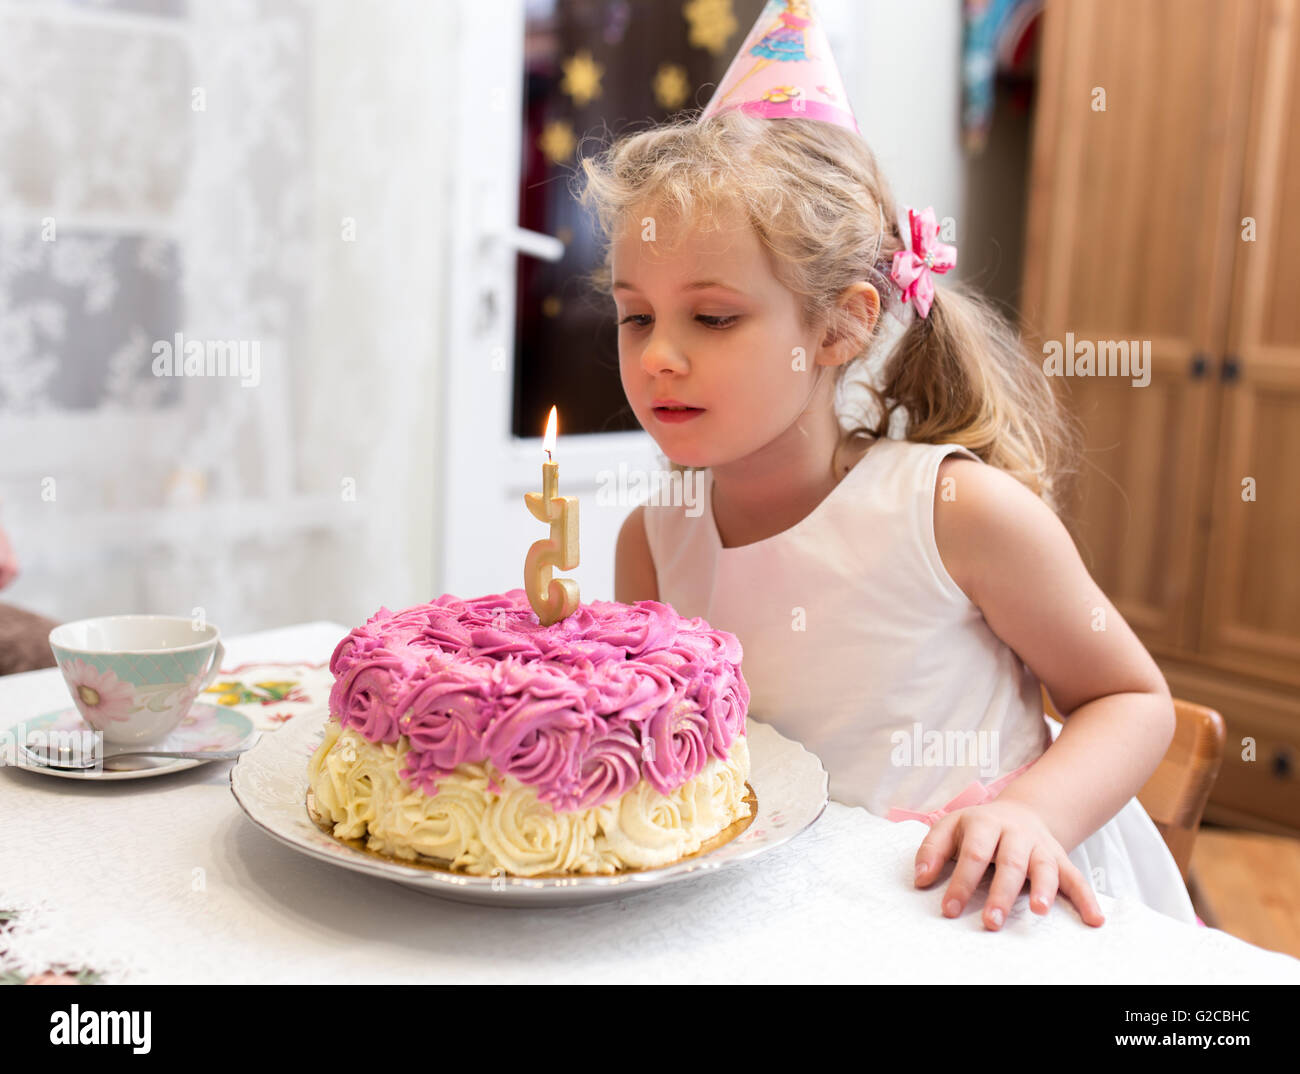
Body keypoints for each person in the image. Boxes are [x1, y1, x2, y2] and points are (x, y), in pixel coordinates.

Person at [578, 2, 1199, 931]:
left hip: (967, 914)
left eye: (711, 318)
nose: (658, 355)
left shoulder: (956, 513)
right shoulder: (653, 542)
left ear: (842, 324)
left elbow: (1131, 699)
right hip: (767, 921)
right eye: (637, 316)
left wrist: (1030, 815)